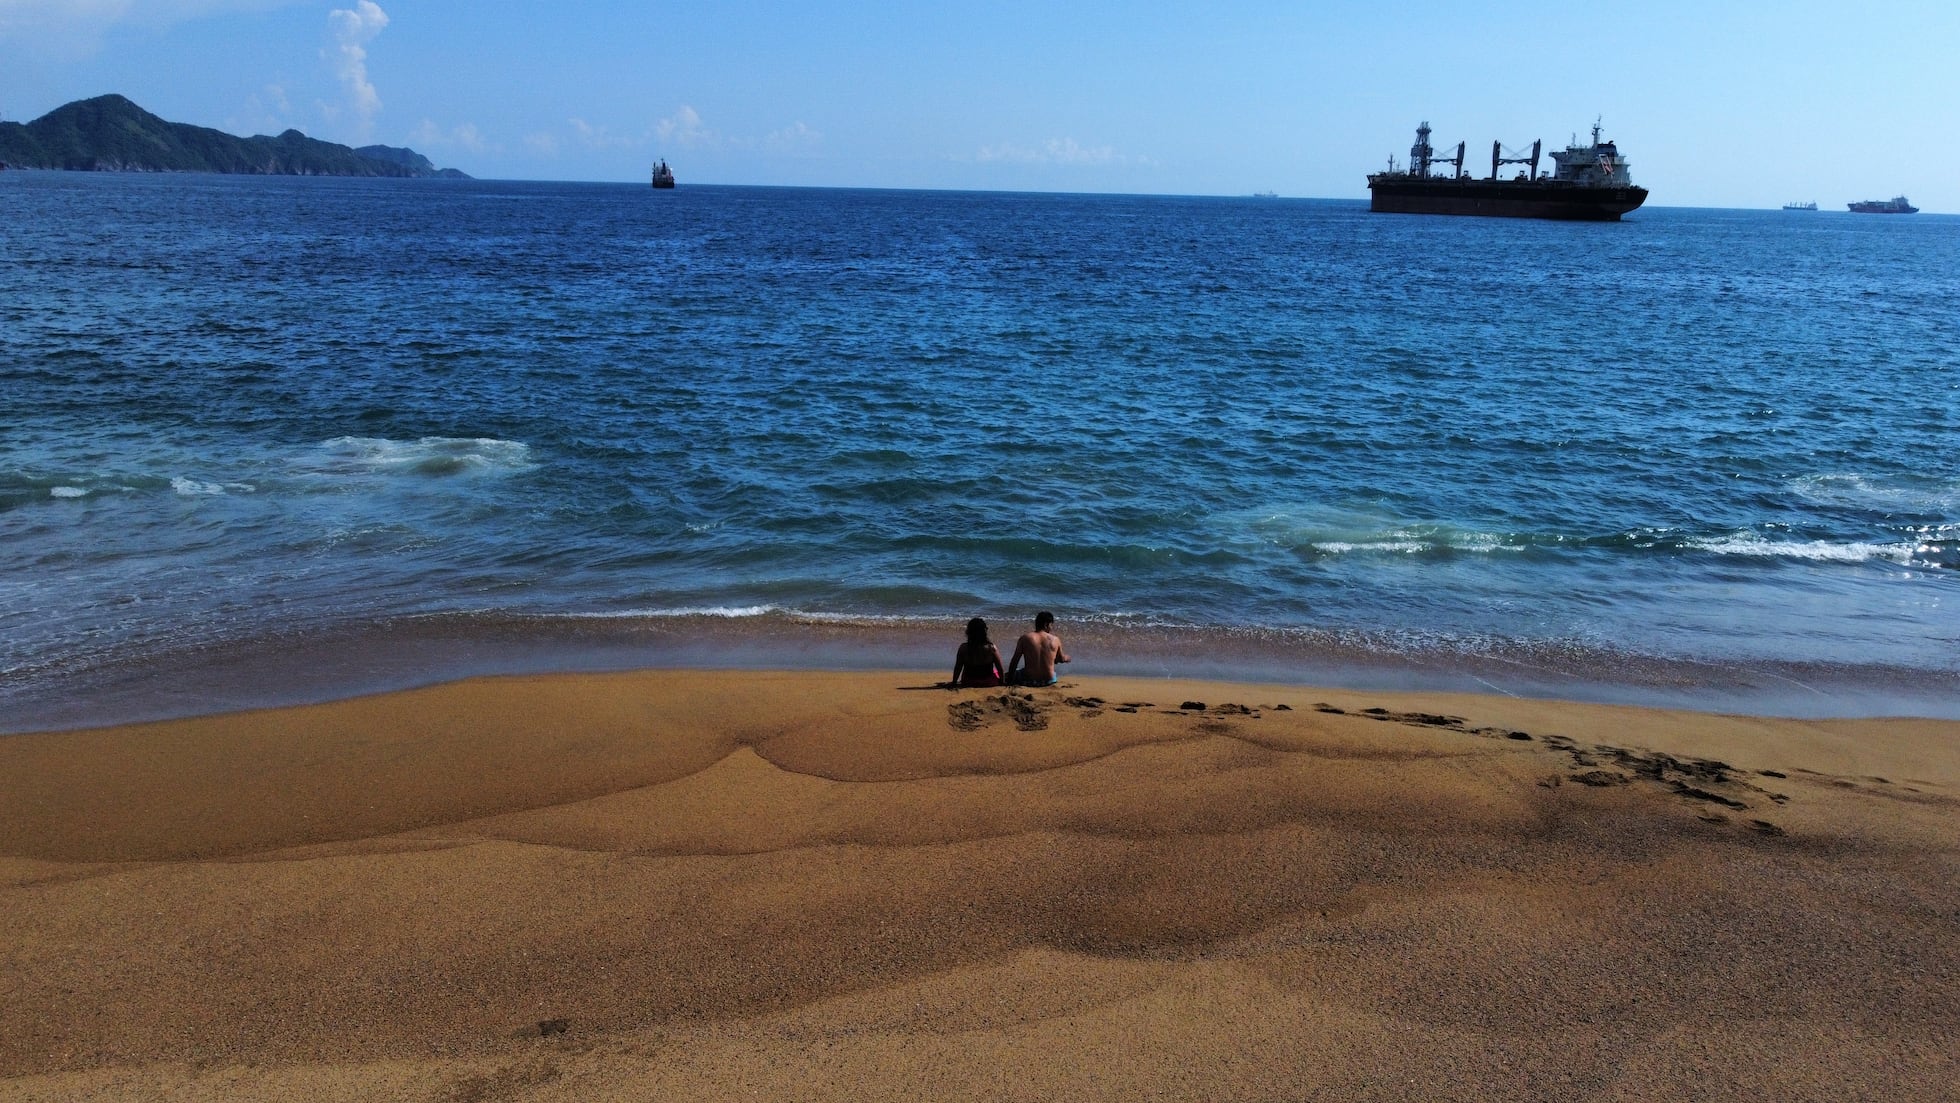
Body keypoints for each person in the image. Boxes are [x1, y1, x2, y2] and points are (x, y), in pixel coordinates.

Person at [1006, 610, 1070, 687]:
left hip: (1029, 680)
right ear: (1046, 625)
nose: (1051, 628)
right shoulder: (1055, 640)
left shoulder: (1025, 638)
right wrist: (1067, 658)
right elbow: (1061, 659)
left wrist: (1010, 679)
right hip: (1049, 681)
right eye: (1051, 625)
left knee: (1015, 672)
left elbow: (1015, 661)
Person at [950, 617, 1005, 688]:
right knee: (995, 671)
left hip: (968, 682)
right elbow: (1000, 668)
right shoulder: (991, 648)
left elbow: (958, 667)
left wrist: (954, 682)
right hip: (988, 682)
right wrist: (1002, 682)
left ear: (969, 632)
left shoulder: (963, 648)